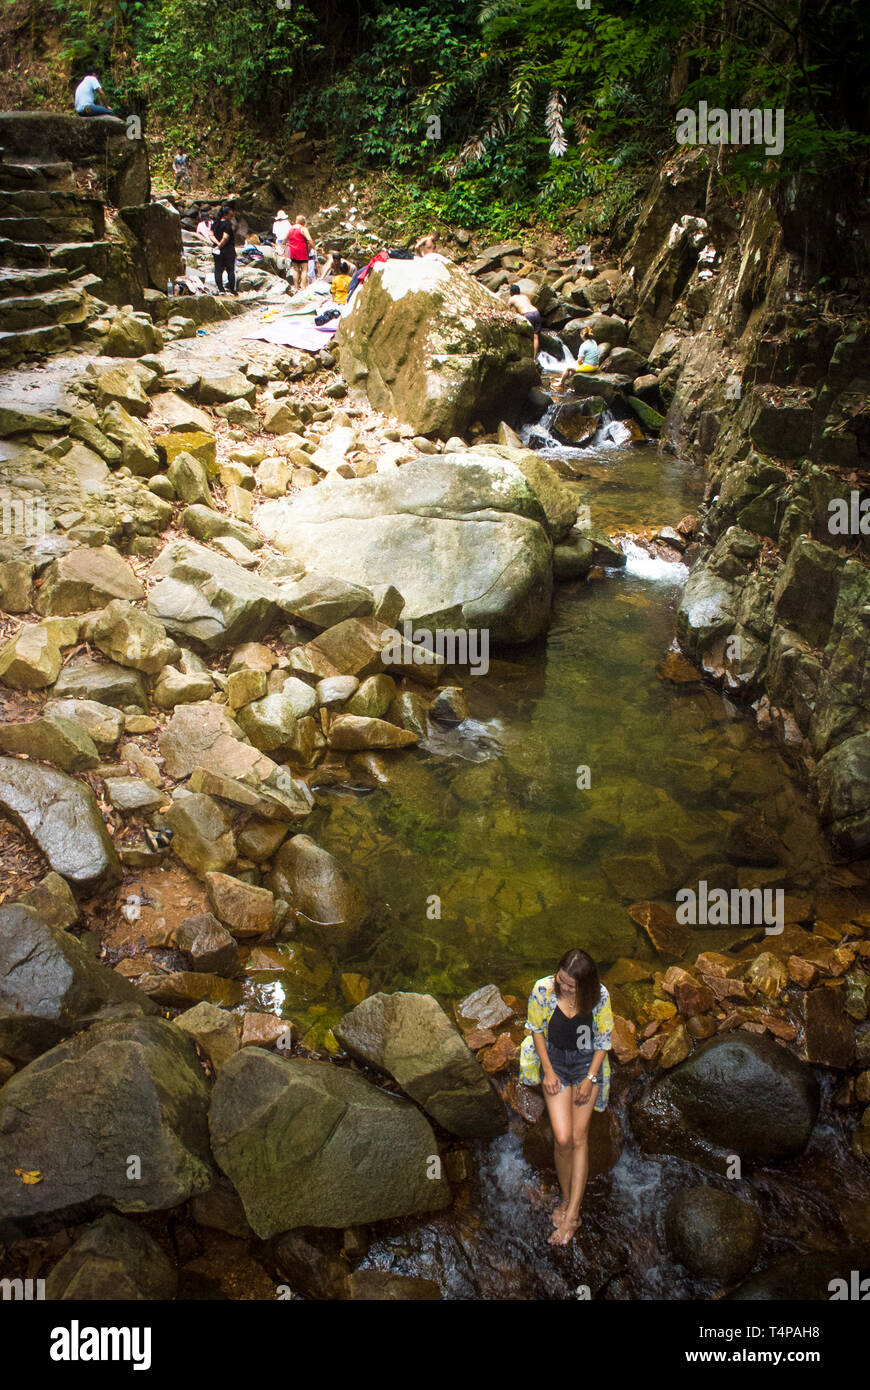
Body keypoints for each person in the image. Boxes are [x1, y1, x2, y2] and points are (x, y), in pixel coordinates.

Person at [520, 947, 613, 1247]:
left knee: (578, 1136)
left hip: (587, 1065)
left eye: (571, 985)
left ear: (585, 986)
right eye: (562, 980)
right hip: (557, 1063)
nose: (564, 987)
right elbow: (536, 1031)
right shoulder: (543, 990)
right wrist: (548, 1071)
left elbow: (602, 1042)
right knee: (562, 1139)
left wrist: (589, 1080)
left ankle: (573, 1212)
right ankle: (565, 1194)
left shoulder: (600, 996)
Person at [211, 206, 237, 295]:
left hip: (216, 251)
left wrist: (217, 245)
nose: (231, 217)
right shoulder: (227, 224)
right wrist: (220, 245)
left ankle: (221, 289)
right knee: (230, 270)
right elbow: (225, 237)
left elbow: (211, 235)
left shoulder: (214, 224)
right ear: (225, 215)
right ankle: (232, 290)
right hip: (228, 250)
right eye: (230, 215)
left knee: (218, 270)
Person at [509, 283, 540, 356]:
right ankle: (534, 359)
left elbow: (507, 310)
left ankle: (524, 354)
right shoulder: (525, 296)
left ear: (511, 292)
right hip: (536, 312)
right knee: (536, 336)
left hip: (527, 314)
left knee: (523, 335)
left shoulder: (512, 299)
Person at [286, 214, 315, 290]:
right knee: (304, 269)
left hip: (293, 251)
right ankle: (303, 287)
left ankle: (296, 287)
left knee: (295, 269)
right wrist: (314, 247)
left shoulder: (291, 229)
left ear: (296, 221)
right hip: (302, 251)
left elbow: (284, 240)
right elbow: (309, 239)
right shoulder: (303, 229)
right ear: (303, 222)